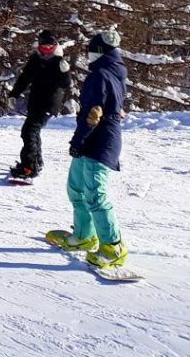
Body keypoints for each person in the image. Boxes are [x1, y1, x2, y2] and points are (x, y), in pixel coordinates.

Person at [46, 28, 129, 269]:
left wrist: (78, 141)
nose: (88, 55)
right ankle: (84, 236)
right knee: (76, 189)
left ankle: (113, 247)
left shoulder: (101, 74)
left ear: (100, 51)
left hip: (100, 140)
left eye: (91, 50)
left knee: (95, 194)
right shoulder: (112, 72)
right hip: (95, 138)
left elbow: (93, 113)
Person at [8, 30, 72, 179]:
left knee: (29, 131)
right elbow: (24, 78)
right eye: (44, 45)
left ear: (55, 44)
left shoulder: (59, 61)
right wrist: (13, 95)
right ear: (39, 45)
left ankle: (29, 167)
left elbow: (65, 84)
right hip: (35, 101)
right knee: (33, 132)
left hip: (49, 103)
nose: (47, 48)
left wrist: (66, 72)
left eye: (50, 45)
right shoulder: (35, 59)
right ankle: (36, 162)